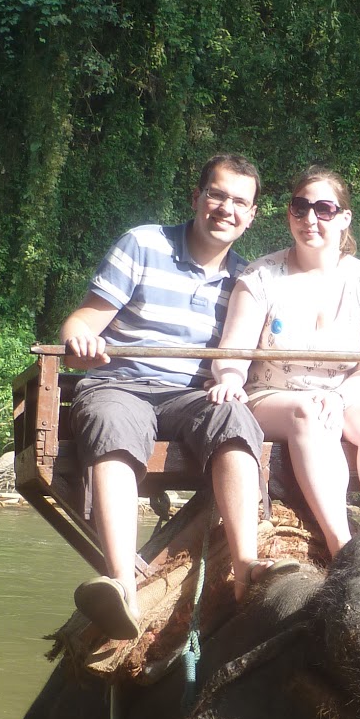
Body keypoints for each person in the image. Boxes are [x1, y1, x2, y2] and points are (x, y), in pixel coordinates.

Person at [60, 154, 274, 640]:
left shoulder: (248, 279)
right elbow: (80, 321)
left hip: (191, 395)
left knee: (236, 418)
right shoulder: (143, 244)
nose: (226, 209)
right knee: (112, 423)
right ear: (196, 198)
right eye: (217, 195)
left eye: (240, 202)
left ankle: (245, 568)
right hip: (121, 382)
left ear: (252, 215)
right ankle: (122, 585)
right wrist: (82, 341)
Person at [210, 165, 360, 558]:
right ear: (289, 214)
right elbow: (232, 350)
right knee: (308, 409)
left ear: (344, 218)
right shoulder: (260, 277)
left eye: (324, 209)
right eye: (300, 208)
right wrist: (229, 377)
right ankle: (343, 549)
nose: (310, 219)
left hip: (348, 394)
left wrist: (338, 398)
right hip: (273, 396)